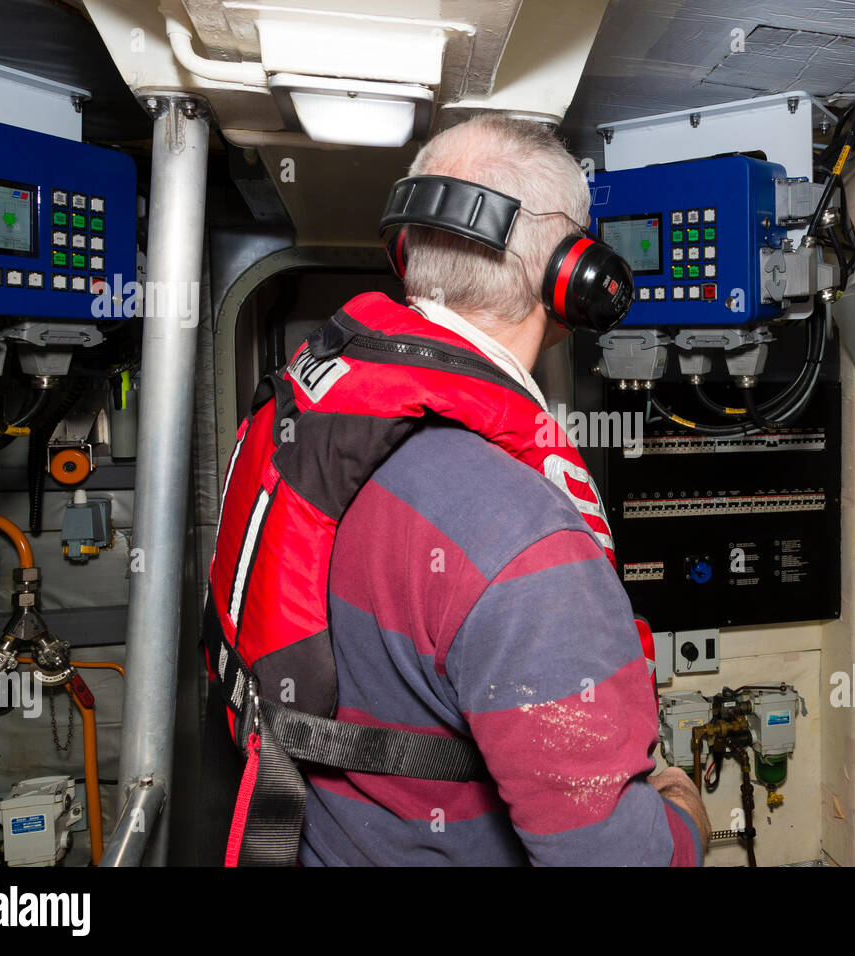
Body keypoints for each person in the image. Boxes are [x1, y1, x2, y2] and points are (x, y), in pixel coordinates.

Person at [294, 115, 710, 865]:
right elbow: (612, 856)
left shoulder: (319, 425)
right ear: (576, 276)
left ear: (408, 248)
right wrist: (685, 816)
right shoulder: (523, 541)